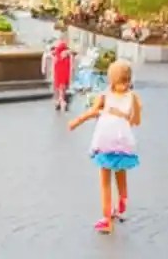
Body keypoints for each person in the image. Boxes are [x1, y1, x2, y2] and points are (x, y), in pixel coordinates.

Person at [68, 60, 141, 234]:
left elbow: (92, 112)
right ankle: (122, 201)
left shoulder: (104, 95)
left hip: (105, 140)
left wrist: (76, 122)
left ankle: (107, 219)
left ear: (110, 80)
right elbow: (136, 121)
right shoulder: (133, 98)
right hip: (122, 140)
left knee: (105, 181)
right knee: (121, 172)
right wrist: (125, 116)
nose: (124, 85)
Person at [46, 35, 74, 111]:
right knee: (62, 85)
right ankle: (61, 100)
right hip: (62, 66)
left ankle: (60, 101)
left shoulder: (59, 47)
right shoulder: (63, 47)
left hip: (60, 66)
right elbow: (59, 54)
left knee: (60, 85)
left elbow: (54, 54)